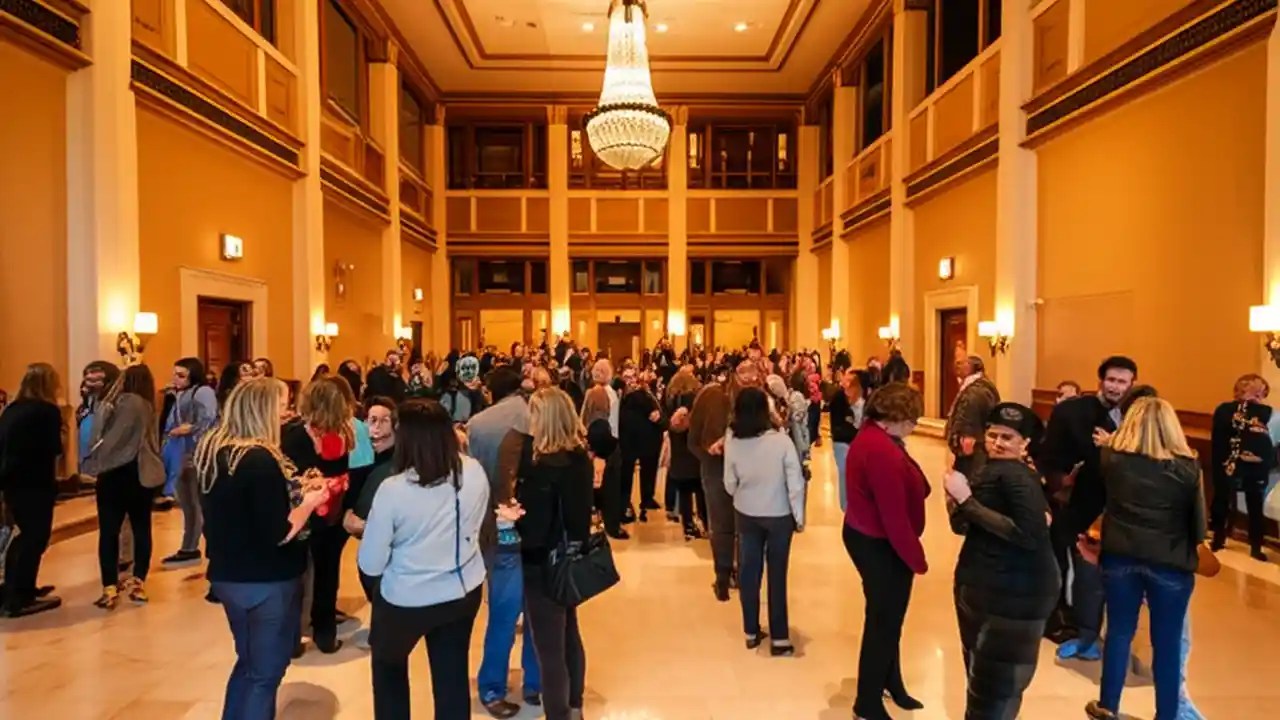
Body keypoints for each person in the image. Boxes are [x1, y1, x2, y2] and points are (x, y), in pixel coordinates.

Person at [198, 378, 328, 720]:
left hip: (228, 574)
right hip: (265, 579)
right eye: (283, 404)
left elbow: (244, 505)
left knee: (249, 663)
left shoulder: (216, 449)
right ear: (263, 409)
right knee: (266, 674)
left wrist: (294, 488)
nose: (288, 412)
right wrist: (311, 501)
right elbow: (281, 532)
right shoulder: (260, 459)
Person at [358, 399, 489, 720]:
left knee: (389, 674)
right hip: (462, 589)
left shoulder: (393, 489)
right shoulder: (473, 471)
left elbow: (370, 563)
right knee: (451, 677)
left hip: (406, 600)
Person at [1085, 397, 1205, 720]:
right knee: (1166, 643)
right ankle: (1165, 714)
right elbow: (1199, 527)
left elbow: (1098, 503)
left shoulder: (1111, 460)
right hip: (1170, 564)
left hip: (1120, 556)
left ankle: (1108, 705)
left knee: (1119, 631)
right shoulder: (1188, 467)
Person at [945, 403, 1060, 720]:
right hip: (997, 587)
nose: (997, 442)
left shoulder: (1015, 477)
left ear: (1024, 443)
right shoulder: (1003, 471)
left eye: (1007, 437)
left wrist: (965, 500)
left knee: (992, 687)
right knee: (990, 682)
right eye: (993, 434)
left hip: (1008, 594)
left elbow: (1028, 534)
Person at [1039, 355, 1137, 654]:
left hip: (1118, 507)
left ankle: (1103, 629)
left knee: (1108, 573)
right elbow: (1049, 455)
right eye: (1111, 380)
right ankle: (1063, 622)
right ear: (1100, 381)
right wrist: (1059, 484)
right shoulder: (1072, 411)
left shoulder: (1138, 415)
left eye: (1122, 381)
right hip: (1074, 503)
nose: (1115, 387)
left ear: (1131, 384)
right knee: (1067, 565)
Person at [843, 382, 928, 720]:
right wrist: (916, 559)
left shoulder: (879, 438)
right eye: (912, 420)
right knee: (883, 623)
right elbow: (893, 516)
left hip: (869, 536)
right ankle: (867, 702)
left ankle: (891, 681)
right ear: (893, 418)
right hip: (879, 543)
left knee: (890, 619)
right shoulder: (880, 451)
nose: (914, 426)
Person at [513, 388, 596, 720]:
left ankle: (558, 714)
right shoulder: (579, 459)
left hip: (541, 563)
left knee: (548, 650)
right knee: (570, 634)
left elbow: (535, 528)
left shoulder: (541, 467)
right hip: (572, 557)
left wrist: (513, 516)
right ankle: (575, 706)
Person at [467, 366, 542, 718]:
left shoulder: (478, 424)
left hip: (498, 529)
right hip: (539, 528)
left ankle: (492, 686)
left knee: (502, 612)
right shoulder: (543, 416)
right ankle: (535, 684)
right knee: (539, 613)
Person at [723, 387, 805, 656]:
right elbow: (795, 483)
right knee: (777, 572)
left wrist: (743, 494)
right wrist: (799, 516)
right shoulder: (781, 441)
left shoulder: (732, 439)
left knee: (749, 570)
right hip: (779, 513)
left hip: (746, 512)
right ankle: (780, 637)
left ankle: (750, 630)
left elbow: (729, 482)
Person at [281, 378, 355, 654]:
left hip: (303, 510)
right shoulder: (343, 435)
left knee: (298, 576)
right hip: (332, 510)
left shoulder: (295, 434)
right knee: (327, 573)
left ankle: (292, 638)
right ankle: (325, 634)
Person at [83, 365, 160, 609]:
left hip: (117, 474)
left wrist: (96, 457)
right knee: (141, 529)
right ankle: (138, 581)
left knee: (109, 531)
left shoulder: (127, 402)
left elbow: (110, 440)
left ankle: (109, 587)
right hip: (141, 476)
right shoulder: (149, 404)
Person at [0, 363, 65, 617]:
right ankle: (19, 598)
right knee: (35, 537)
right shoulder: (47, 411)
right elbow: (54, 449)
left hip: (12, 481)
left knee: (23, 535)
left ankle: (17, 588)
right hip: (35, 482)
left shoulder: (12, 410)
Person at [1209, 373, 1279, 560]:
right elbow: (1218, 438)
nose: (1258, 395)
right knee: (1222, 501)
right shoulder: (1225, 410)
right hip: (1228, 463)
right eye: (1254, 390)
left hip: (1256, 466)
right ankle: (1218, 537)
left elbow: (1271, 439)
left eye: (1261, 392)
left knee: (1255, 505)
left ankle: (1256, 545)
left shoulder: (1268, 412)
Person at [162, 357, 218, 565]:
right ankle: (189, 545)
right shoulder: (181, 393)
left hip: (196, 453)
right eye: (175, 374)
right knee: (186, 503)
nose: (176, 379)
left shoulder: (203, 392)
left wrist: (190, 428)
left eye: (181, 375)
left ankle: (197, 546)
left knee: (196, 503)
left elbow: (209, 418)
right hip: (181, 451)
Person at [345, 396, 398, 601]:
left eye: (383, 420)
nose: (375, 428)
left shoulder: (396, 466)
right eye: (371, 420)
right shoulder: (365, 461)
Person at [618, 367, 666, 522]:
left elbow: (655, 414)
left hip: (641, 440)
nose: (630, 381)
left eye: (633, 377)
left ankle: (641, 499)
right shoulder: (628, 396)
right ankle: (634, 501)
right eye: (627, 377)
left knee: (641, 471)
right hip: (635, 440)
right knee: (632, 473)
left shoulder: (641, 395)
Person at [666, 369, 707, 540]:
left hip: (678, 450)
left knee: (684, 493)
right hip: (693, 451)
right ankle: (705, 522)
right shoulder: (696, 400)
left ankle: (688, 526)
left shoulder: (670, 399)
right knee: (700, 491)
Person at [944, 356, 1001, 476]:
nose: (958, 366)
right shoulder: (978, 386)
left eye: (964, 363)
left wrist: (966, 437)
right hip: (977, 445)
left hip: (973, 448)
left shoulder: (974, 391)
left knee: (969, 477)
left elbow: (969, 416)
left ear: (973, 368)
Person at [827, 370, 865, 512]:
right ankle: (847, 506)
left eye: (850, 381)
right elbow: (838, 426)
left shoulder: (863, 402)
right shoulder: (839, 398)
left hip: (858, 442)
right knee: (845, 471)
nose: (845, 383)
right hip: (842, 441)